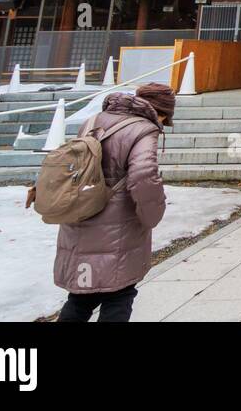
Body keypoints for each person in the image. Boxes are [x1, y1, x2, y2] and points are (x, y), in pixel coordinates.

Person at [53, 82, 173, 322]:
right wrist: (152, 214)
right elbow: (143, 175)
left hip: (81, 212)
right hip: (118, 224)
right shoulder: (144, 129)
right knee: (119, 293)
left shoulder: (93, 120)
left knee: (80, 296)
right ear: (161, 111)